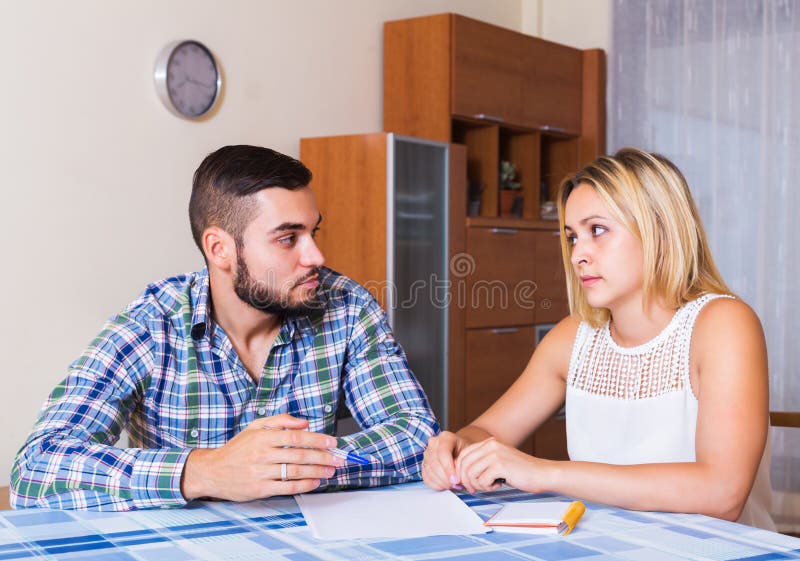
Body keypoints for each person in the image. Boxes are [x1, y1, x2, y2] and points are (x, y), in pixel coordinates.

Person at [12, 145, 438, 511]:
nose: (316, 256)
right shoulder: (151, 326)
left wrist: (285, 467)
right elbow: (34, 470)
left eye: (313, 231)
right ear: (219, 249)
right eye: (288, 238)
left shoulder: (346, 307)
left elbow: (417, 434)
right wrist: (206, 472)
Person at [422, 148, 774, 530]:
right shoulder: (573, 338)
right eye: (572, 237)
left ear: (658, 228)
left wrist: (545, 473)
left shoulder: (723, 325)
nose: (577, 255)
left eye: (597, 230)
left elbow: (723, 493)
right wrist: (456, 447)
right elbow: (486, 433)